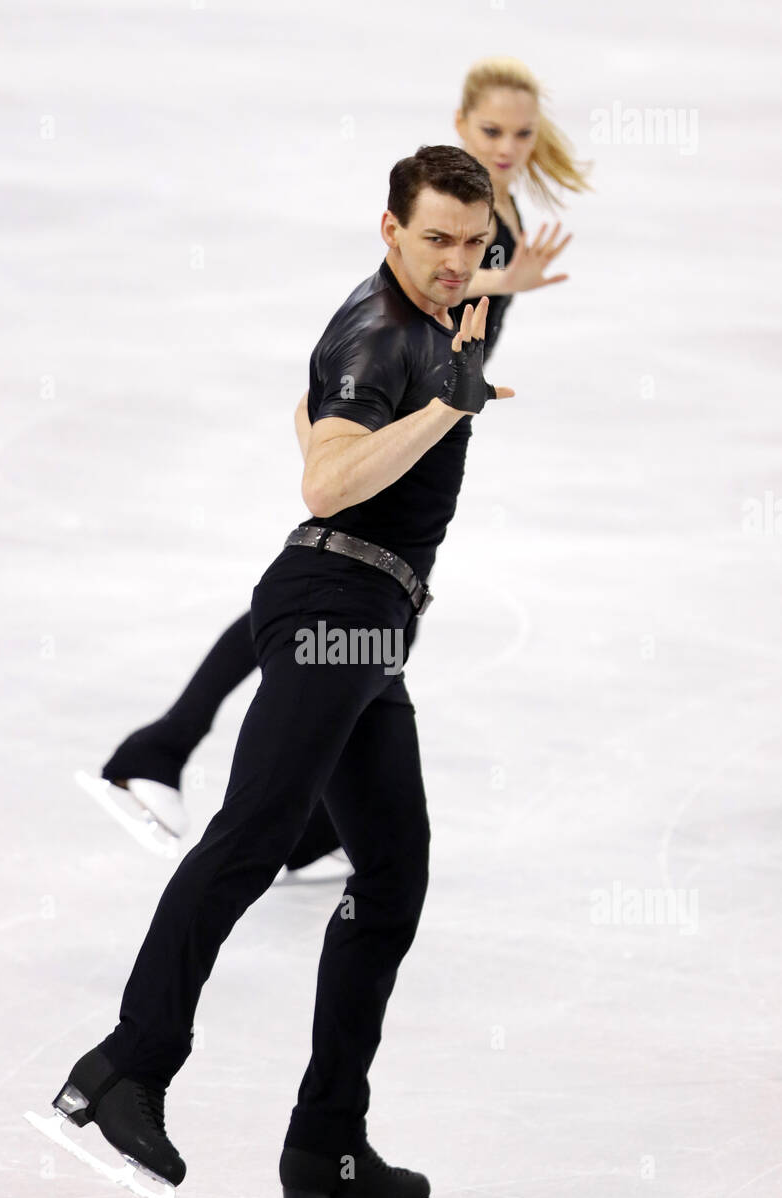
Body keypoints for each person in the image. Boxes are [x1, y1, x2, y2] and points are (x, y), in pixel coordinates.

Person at [47, 145, 515, 1198]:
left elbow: (307, 418)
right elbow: (322, 475)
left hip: (368, 625)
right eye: (432, 240)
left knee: (390, 872)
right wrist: (446, 407)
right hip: (332, 611)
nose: (454, 263)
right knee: (254, 833)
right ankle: (128, 1062)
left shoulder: (431, 312)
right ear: (387, 230)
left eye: (469, 243)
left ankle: (326, 1141)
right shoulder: (375, 331)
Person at [92, 56, 590, 872]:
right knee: (335, 604)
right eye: (491, 130)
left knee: (366, 625)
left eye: (523, 134)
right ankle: (168, 754)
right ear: (461, 128)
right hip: (392, 420)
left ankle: (309, 823)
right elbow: (406, 310)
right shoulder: (452, 216)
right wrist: (503, 280)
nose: (507, 146)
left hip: (425, 434)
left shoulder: (494, 219)